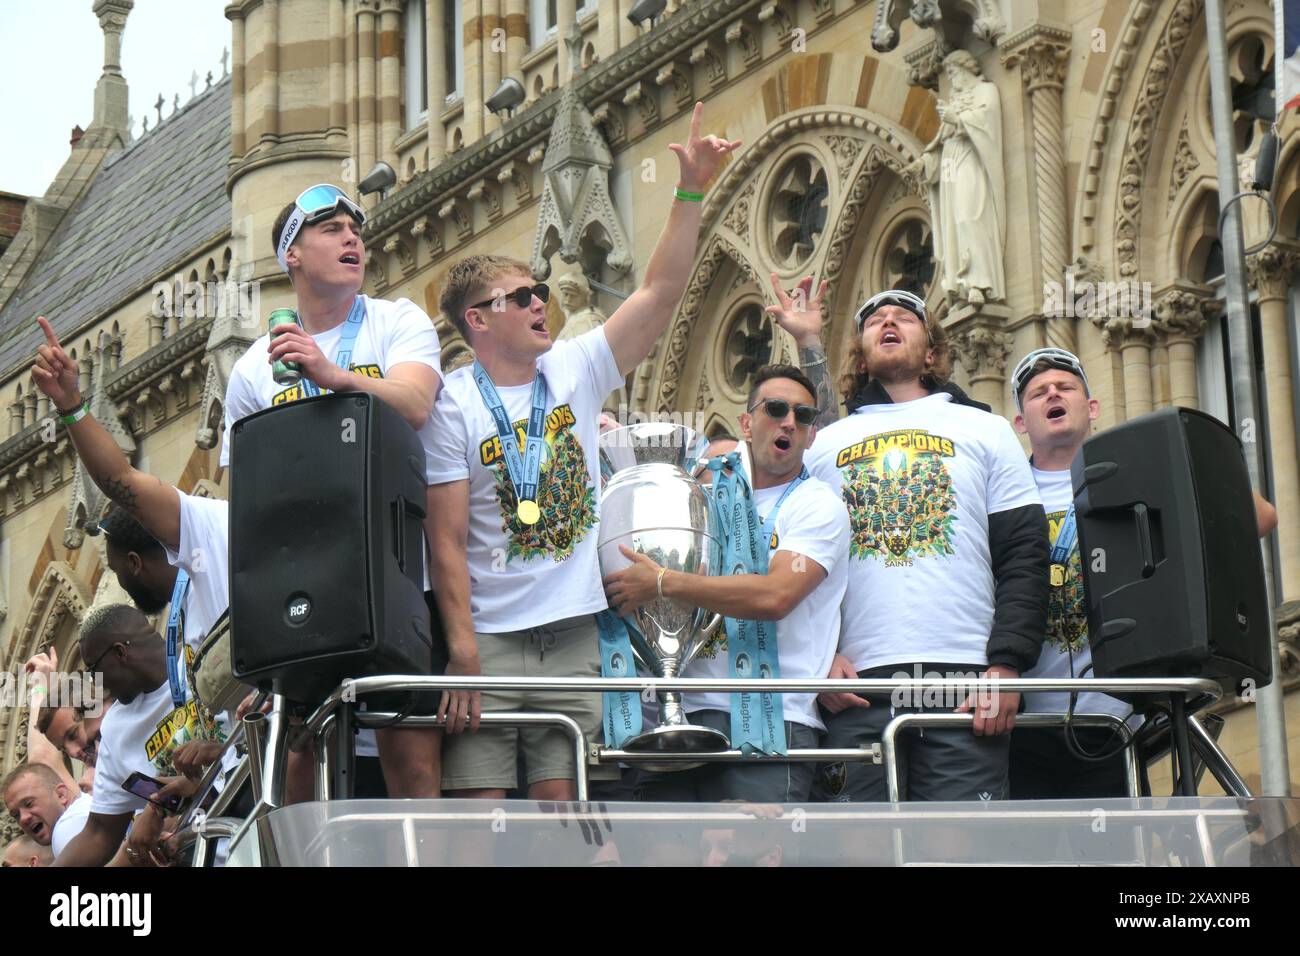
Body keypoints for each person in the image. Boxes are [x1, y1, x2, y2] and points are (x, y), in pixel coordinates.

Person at [427, 102, 740, 802]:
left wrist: (690, 190)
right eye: (522, 296)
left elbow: (659, 294)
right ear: (479, 320)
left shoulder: (573, 370)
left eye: (540, 290)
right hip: (492, 643)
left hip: (571, 637)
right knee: (479, 827)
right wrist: (463, 650)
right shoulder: (452, 404)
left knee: (566, 830)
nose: (543, 302)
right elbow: (444, 541)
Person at [218, 184, 446, 799]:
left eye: (355, 228)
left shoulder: (397, 319)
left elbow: (416, 404)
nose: (352, 237)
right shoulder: (251, 370)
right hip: (302, 586)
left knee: (412, 764)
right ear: (292, 255)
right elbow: (248, 502)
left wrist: (334, 376)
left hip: (397, 579)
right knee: (297, 765)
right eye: (331, 229)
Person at [788, 287, 1049, 801]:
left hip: (966, 679)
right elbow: (791, 559)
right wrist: (817, 656)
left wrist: (1008, 664)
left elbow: (1023, 554)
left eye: (904, 317)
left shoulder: (986, 428)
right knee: (859, 854)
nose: (888, 321)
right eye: (874, 320)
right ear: (861, 357)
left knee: (957, 853)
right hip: (858, 685)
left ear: (931, 351)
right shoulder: (824, 447)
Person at [1007, 347, 1279, 798]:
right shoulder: (1006, 486)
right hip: (1025, 719)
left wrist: (1179, 462)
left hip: (1116, 717)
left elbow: (1262, 517)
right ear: (1021, 423)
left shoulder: (1133, 468)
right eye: (1038, 393)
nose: (1053, 393)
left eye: (1065, 387)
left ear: (1091, 408)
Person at [604, 365, 849, 802]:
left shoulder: (818, 505)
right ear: (746, 423)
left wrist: (662, 582)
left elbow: (776, 596)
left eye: (804, 415)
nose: (789, 421)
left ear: (811, 435)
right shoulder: (695, 496)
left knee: (751, 853)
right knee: (660, 854)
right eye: (775, 409)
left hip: (774, 718)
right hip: (681, 712)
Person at [52, 606, 226, 867]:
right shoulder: (115, 728)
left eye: (94, 670)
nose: (96, 683)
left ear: (121, 652)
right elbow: (99, 832)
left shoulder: (199, 656)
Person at [2, 763, 93, 856]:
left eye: (29, 804)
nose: (23, 819)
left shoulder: (67, 829)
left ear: (61, 795)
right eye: (16, 815)